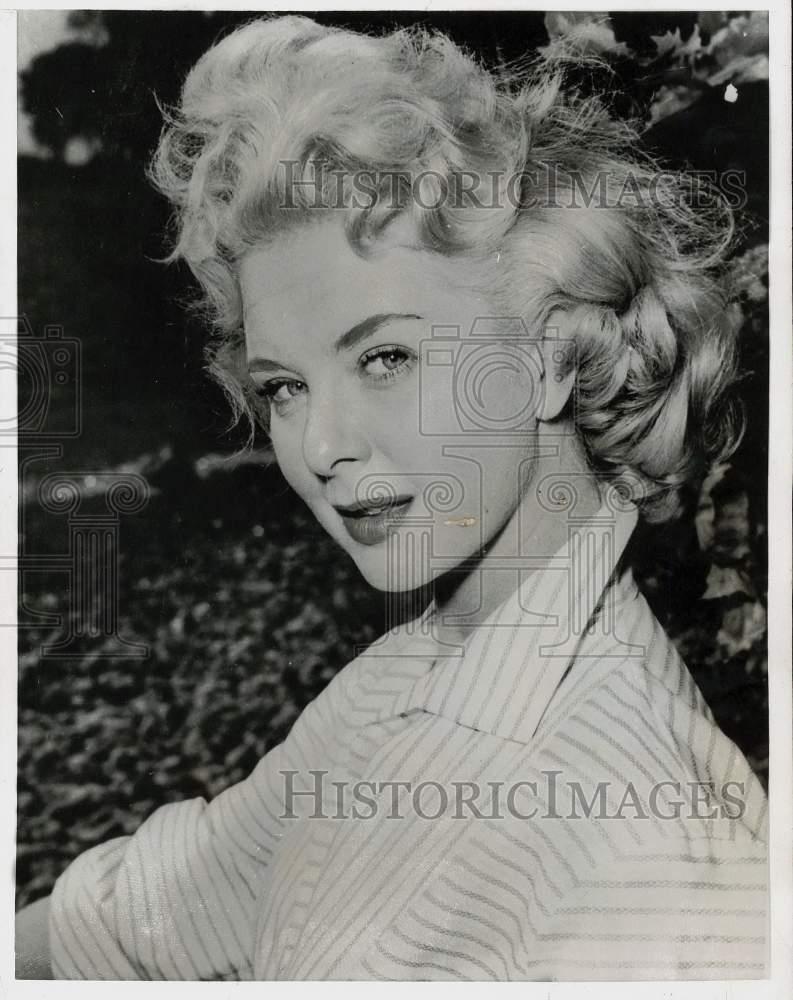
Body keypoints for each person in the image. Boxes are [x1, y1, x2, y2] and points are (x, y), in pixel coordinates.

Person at [16, 14, 767, 981]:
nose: (321, 447)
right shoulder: (406, 678)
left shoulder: (651, 854)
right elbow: (134, 922)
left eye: (384, 357)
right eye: (283, 386)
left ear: (544, 359)